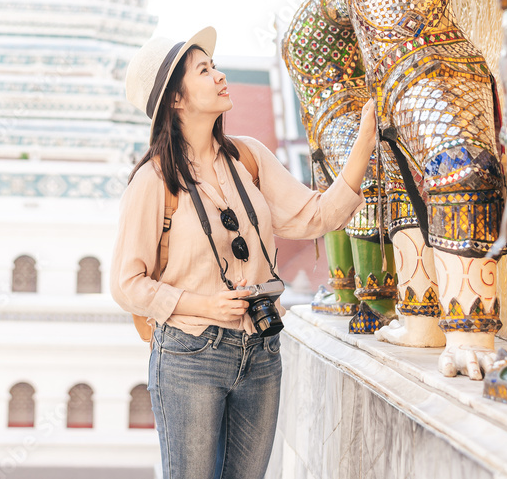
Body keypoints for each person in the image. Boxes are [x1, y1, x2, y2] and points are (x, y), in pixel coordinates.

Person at [111, 27, 376, 479]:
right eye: (204, 70)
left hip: (261, 348)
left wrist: (367, 135)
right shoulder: (153, 181)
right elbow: (126, 283)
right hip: (189, 353)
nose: (219, 75)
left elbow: (316, 216)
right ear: (176, 99)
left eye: (214, 67)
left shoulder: (249, 158)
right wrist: (203, 304)